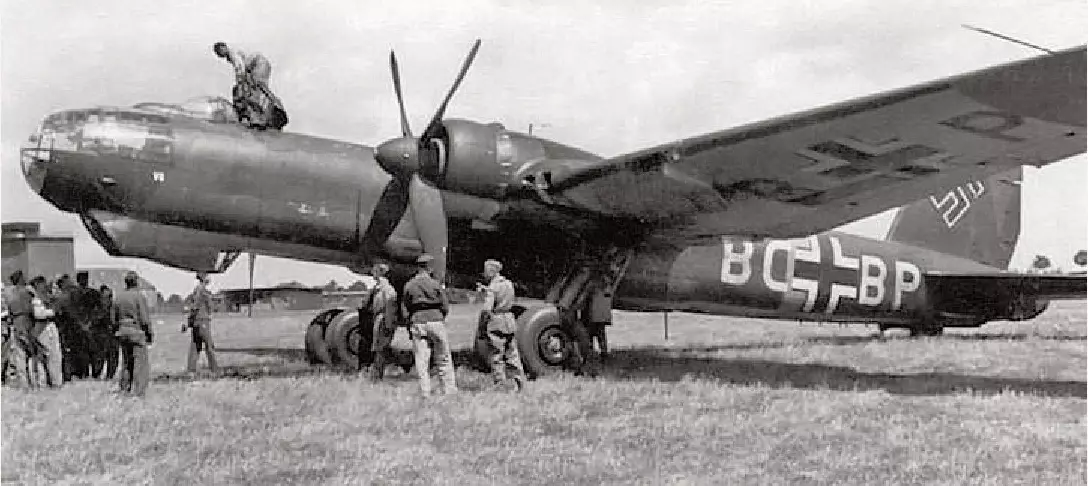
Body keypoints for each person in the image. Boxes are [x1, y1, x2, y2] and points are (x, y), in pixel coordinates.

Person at [401, 254, 456, 397]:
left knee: (421, 359)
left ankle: (425, 392)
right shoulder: (435, 284)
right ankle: (449, 391)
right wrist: (440, 317)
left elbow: (405, 307)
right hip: (435, 320)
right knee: (443, 357)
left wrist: (409, 323)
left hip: (417, 321)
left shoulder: (409, 285)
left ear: (418, 267)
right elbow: (445, 305)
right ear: (429, 268)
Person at [213, 42, 288, 130]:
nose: (220, 54)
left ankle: (269, 112)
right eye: (218, 53)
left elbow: (240, 67)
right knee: (256, 90)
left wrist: (240, 84)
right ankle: (268, 113)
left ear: (224, 47)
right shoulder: (232, 54)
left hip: (258, 64)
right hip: (257, 65)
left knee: (255, 89)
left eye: (220, 50)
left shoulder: (232, 53)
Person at [479, 259, 527, 391]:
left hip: (497, 321)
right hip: (509, 319)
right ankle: (519, 381)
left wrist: (483, 324)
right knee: (512, 353)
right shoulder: (508, 284)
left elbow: (487, 309)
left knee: (496, 355)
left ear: (491, 272)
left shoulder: (493, 288)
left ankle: (500, 384)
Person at [114, 271, 153, 397]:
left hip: (122, 331)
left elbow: (113, 318)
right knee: (140, 363)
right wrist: (149, 333)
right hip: (136, 332)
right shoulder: (139, 296)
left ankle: (124, 388)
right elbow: (145, 319)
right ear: (136, 281)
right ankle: (139, 391)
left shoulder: (119, 297)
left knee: (126, 362)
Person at [363, 262, 400, 380]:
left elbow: (390, 305)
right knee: (379, 348)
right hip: (380, 319)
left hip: (383, 319)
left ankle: (377, 375)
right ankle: (377, 373)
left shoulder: (386, 289)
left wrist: (389, 324)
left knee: (381, 349)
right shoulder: (378, 288)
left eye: (376, 272)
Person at [28, 276, 64, 388]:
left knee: (54, 357)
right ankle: (45, 383)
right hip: (43, 330)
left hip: (48, 329)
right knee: (47, 357)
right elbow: (39, 314)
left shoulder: (46, 297)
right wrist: (52, 312)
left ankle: (53, 381)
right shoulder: (36, 300)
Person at [184, 272, 218, 374]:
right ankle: (215, 370)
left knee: (195, 345)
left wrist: (190, 322)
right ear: (204, 278)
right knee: (209, 346)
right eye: (208, 275)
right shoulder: (201, 290)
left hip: (197, 322)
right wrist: (189, 321)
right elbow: (195, 307)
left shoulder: (199, 290)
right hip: (202, 321)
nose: (209, 277)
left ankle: (191, 370)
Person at [97, 285, 120, 379]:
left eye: (110, 296)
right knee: (101, 357)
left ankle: (109, 375)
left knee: (112, 356)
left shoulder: (113, 307)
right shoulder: (98, 308)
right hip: (102, 335)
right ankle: (100, 374)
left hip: (111, 335)